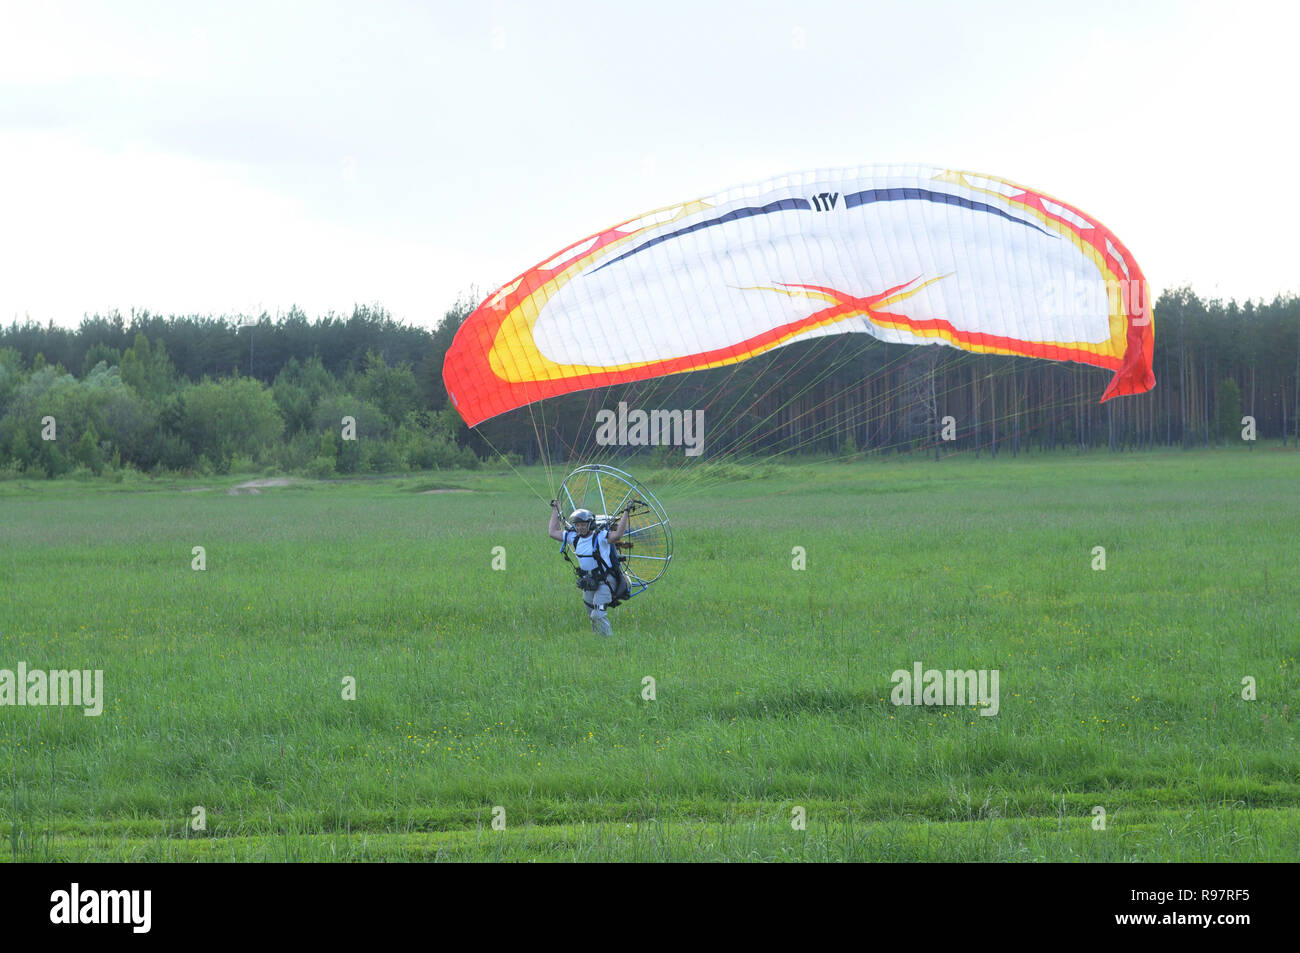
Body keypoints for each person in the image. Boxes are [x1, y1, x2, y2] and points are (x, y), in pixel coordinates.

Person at [548, 500, 631, 636]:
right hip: (589, 582)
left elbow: (617, 535)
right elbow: (552, 532)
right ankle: (598, 639)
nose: (580, 528)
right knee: (591, 613)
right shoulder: (573, 537)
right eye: (577, 525)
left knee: (598, 613)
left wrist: (626, 513)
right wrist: (555, 510)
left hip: (606, 582)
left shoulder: (600, 537)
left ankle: (609, 641)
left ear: (590, 524)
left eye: (583, 525)